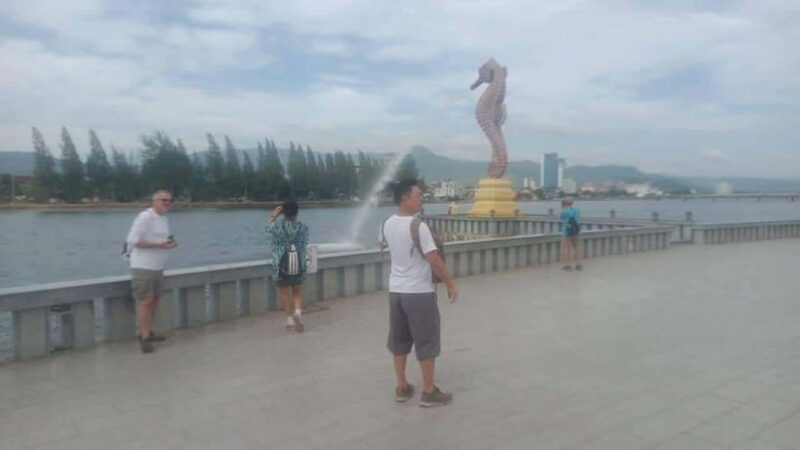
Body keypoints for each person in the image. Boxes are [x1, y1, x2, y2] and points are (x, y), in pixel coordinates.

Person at [379, 179, 458, 407]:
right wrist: (450, 284)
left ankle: (402, 387)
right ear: (405, 199)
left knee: (399, 340)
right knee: (426, 341)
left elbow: (385, 247)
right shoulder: (418, 226)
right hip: (419, 293)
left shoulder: (386, 223)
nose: (421, 198)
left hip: (396, 292)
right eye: (418, 195)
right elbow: (433, 259)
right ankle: (429, 392)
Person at [125, 190, 177, 353]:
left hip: (158, 265)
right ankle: (144, 336)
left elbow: (164, 238)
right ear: (154, 201)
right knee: (146, 301)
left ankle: (147, 332)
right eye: (163, 200)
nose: (167, 203)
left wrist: (171, 242)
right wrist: (157, 245)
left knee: (154, 300)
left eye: (170, 200)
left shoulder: (163, 218)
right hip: (143, 265)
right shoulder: (145, 216)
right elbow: (133, 240)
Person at [266, 200, 309, 333]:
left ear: (283, 212)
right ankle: (298, 312)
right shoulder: (303, 226)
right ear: (297, 212)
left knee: (284, 291)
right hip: (298, 263)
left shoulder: (277, 226)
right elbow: (305, 242)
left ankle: (289, 319)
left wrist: (274, 215)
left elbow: (267, 230)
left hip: (281, 264)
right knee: (297, 290)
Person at [560, 199, 582, 271]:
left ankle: (568, 265)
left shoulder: (564, 211)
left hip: (567, 232)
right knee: (577, 248)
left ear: (565, 204)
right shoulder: (577, 210)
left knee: (566, 248)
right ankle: (578, 265)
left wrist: (563, 209)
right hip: (576, 231)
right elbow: (578, 218)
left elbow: (561, 218)